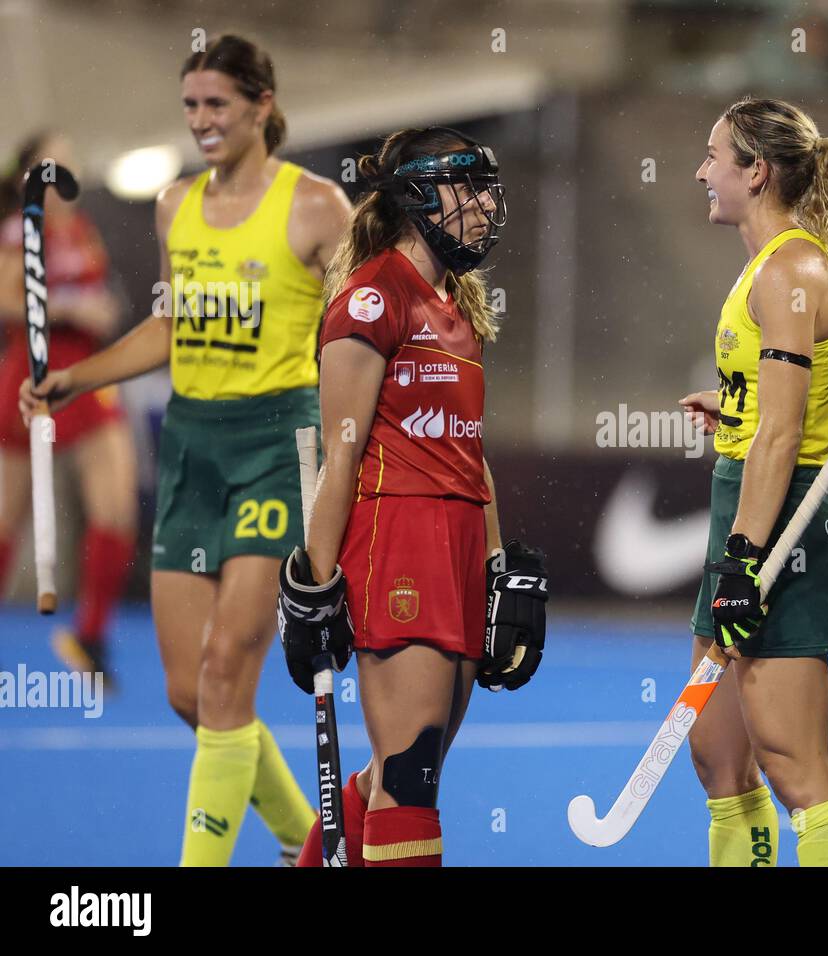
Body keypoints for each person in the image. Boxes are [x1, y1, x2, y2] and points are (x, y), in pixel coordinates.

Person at [20, 35, 353, 866]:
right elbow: (169, 327)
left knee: (223, 676)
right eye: (191, 107)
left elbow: (361, 327)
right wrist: (72, 378)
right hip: (192, 447)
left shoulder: (316, 208)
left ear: (261, 106)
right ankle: (308, 842)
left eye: (218, 105)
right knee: (188, 694)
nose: (201, 122)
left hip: (279, 443)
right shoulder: (176, 205)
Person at [278, 126, 547, 867]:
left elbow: (470, 449)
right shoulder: (371, 300)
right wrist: (314, 584)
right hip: (398, 537)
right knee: (410, 774)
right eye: (470, 189)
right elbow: (343, 451)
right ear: (419, 197)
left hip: (457, 541)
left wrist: (495, 563)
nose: (485, 207)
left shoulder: (458, 302)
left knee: (402, 770)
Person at [677, 97, 828, 867]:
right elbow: (766, 412)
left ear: (756, 172)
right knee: (718, 756)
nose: (701, 171)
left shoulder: (791, 269)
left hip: (776, 528)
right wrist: (729, 407)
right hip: (744, 512)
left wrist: (742, 559)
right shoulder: (772, 267)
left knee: (798, 770)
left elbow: (785, 433)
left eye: (714, 156)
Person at [0, 132, 137, 685]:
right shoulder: (20, 230)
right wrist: (70, 309)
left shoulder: (80, 228)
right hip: (33, 373)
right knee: (7, 516)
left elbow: (98, 294)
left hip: (86, 375)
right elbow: (7, 300)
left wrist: (100, 311)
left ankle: (92, 635)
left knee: (116, 507)